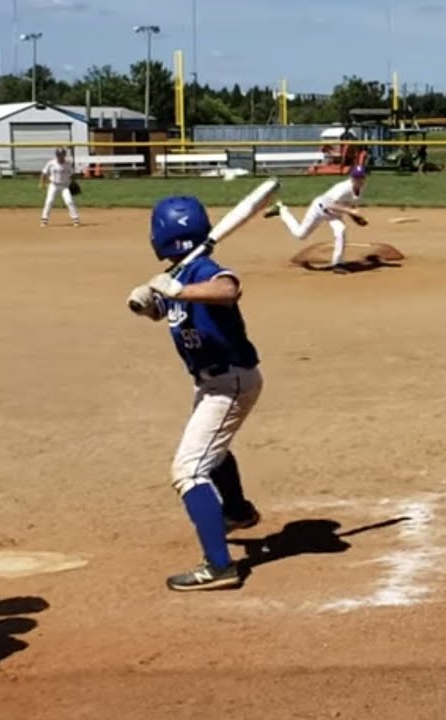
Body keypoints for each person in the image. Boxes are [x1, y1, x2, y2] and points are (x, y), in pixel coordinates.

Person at [126, 196, 264, 591]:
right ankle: (236, 512)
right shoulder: (182, 274)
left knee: (188, 470)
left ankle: (219, 567)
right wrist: (156, 303)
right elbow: (177, 309)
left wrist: (177, 291)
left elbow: (228, 290)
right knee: (210, 449)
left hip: (230, 381)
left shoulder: (203, 270)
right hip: (213, 382)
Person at [263, 166, 368, 273]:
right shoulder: (344, 188)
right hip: (319, 209)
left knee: (340, 230)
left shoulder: (360, 188)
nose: (358, 180)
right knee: (301, 235)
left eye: (361, 177)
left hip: (334, 215)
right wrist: (350, 212)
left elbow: (348, 204)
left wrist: (356, 218)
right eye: (356, 177)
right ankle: (281, 210)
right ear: (352, 177)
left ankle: (337, 263)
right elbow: (329, 205)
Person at [39, 147, 80, 228]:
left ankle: (76, 220)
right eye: (59, 155)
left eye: (62, 154)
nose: (60, 156)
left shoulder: (68, 163)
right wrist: (41, 183)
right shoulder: (51, 163)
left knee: (69, 201)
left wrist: (74, 182)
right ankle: (44, 220)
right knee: (49, 201)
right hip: (53, 185)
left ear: (64, 155)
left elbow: (72, 174)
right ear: (56, 155)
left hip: (65, 186)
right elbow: (44, 173)